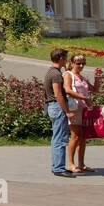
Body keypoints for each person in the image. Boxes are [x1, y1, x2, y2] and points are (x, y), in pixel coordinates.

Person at [44, 48, 74, 178]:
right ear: (61, 58)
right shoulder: (55, 74)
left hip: (53, 106)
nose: (66, 60)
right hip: (57, 107)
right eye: (65, 58)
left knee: (58, 136)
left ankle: (58, 165)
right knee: (60, 138)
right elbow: (58, 94)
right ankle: (58, 167)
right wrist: (67, 111)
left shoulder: (51, 72)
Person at [63, 55, 93, 173]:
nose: (81, 66)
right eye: (78, 63)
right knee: (75, 136)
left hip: (83, 108)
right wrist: (84, 98)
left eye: (83, 64)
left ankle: (81, 163)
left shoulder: (82, 77)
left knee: (83, 137)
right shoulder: (68, 75)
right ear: (72, 63)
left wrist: (98, 77)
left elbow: (94, 89)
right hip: (74, 108)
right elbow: (67, 90)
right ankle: (70, 163)